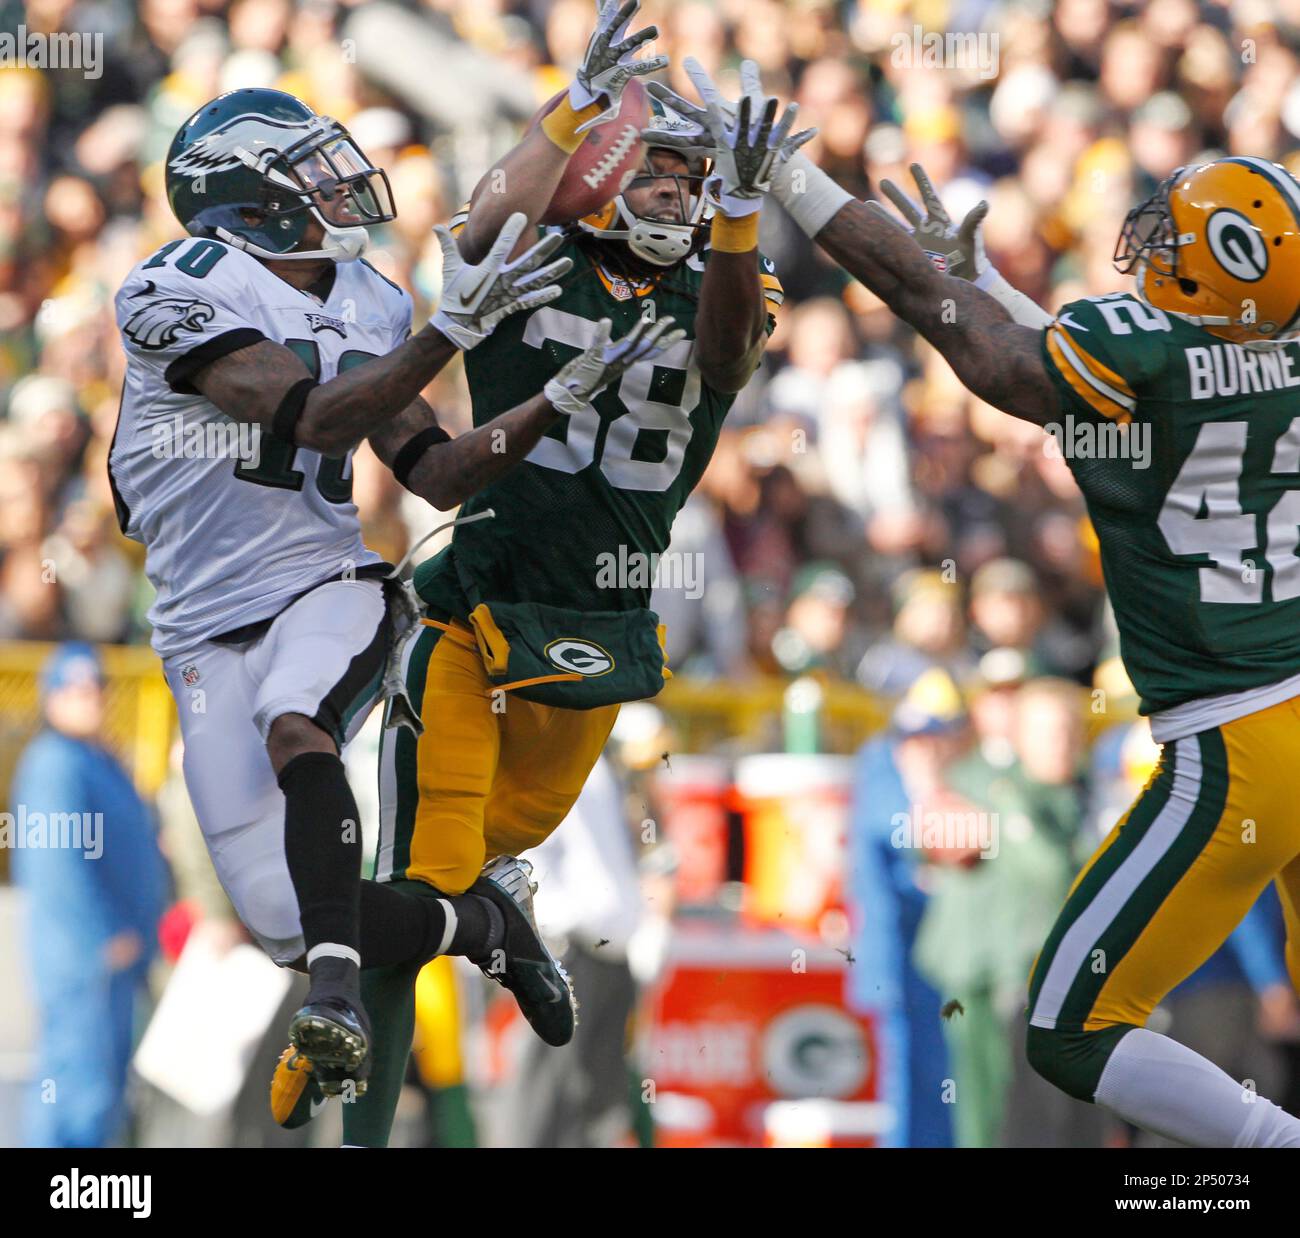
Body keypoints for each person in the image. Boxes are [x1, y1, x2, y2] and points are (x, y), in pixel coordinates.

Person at [112, 84, 676, 1103]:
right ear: (245, 198)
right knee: (287, 922)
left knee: (298, 723)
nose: (338, 184)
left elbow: (437, 474)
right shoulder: (172, 286)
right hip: (196, 627)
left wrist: (552, 401)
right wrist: (448, 333)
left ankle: (334, 1000)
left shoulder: (367, 294)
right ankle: (485, 924)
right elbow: (316, 418)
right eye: (309, 170)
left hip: (326, 581)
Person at [760, 105, 1300, 1145]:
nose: (1152, 248)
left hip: (1240, 743)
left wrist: (794, 181)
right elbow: (1087, 373)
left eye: (1177, 240)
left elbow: (992, 354)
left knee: (1069, 1025)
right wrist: (996, 287)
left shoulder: (1139, 345)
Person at [336, 10, 809, 1147]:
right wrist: (570, 111)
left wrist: (740, 213)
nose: (674, 191)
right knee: (416, 881)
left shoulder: (727, 276)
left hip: (598, 621)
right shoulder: (540, 249)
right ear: (604, 173)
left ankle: (497, 925)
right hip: (471, 594)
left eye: (694, 178)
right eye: (656, 170)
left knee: (499, 855)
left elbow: (728, 352)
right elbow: (491, 214)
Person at [12, 643, 167, 1146]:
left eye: (96, 686)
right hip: (87, 962)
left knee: (104, 1092)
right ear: (52, 698)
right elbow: (56, 867)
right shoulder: (55, 763)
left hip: (119, 960)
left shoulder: (100, 758)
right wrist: (101, 937)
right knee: (79, 1091)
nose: (90, 698)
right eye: (75, 689)